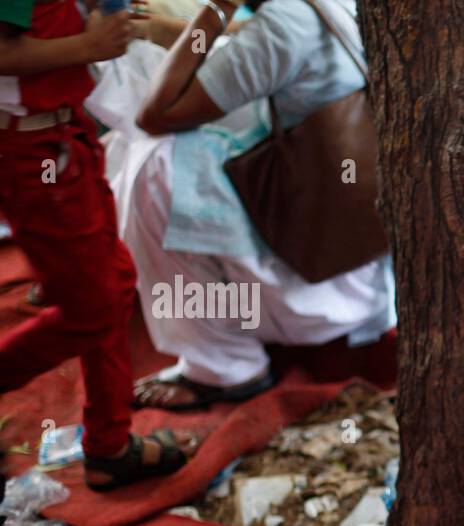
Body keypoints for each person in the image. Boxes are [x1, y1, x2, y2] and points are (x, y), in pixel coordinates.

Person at [120, 0, 394, 410]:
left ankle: (225, 367)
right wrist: (168, 29)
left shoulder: (286, 23)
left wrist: (215, 10)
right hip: (361, 253)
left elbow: (155, 115)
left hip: (324, 283)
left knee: (153, 162)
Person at [0, 0, 197, 490]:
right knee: (93, 305)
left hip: (66, 135)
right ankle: (107, 443)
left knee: (114, 279)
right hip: (34, 150)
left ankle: (110, 444)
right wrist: (89, 45)